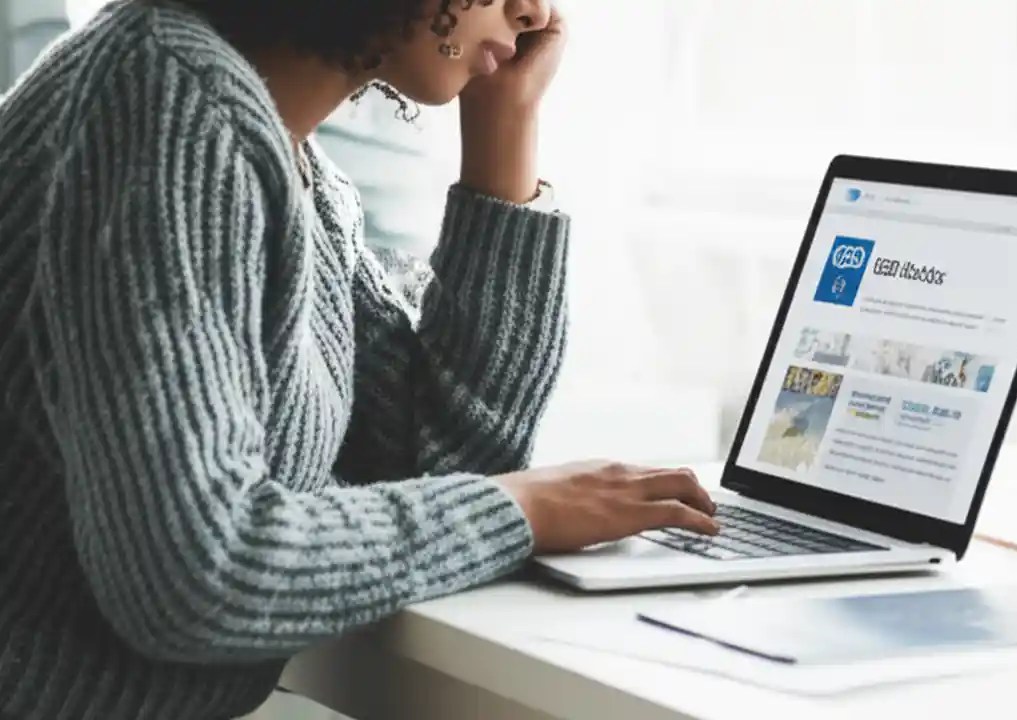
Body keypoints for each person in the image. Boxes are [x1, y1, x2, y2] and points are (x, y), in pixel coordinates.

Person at [0, 1, 720, 718]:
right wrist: (525, 507)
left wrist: (505, 128)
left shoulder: (284, 157)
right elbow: (194, 578)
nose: (533, 11)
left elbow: (442, 462)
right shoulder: (167, 107)